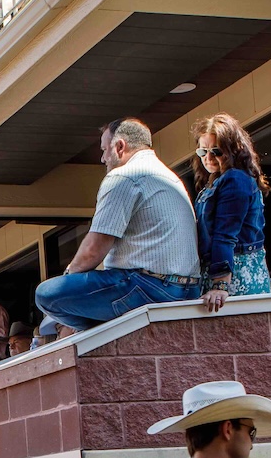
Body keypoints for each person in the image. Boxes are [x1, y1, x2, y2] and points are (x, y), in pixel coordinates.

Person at [34, 118, 202, 330]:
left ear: (120, 146)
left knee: (47, 295)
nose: (103, 158)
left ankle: (99, 339)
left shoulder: (123, 177)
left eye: (105, 150)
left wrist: (69, 281)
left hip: (147, 288)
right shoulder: (171, 177)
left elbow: (94, 249)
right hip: (189, 290)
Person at [190, 113, 271, 313]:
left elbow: (225, 234)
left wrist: (220, 285)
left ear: (233, 150)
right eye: (203, 151)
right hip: (224, 272)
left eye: (216, 151)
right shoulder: (217, 181)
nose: (208, 158)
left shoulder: (235, 179)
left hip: (237, 277)